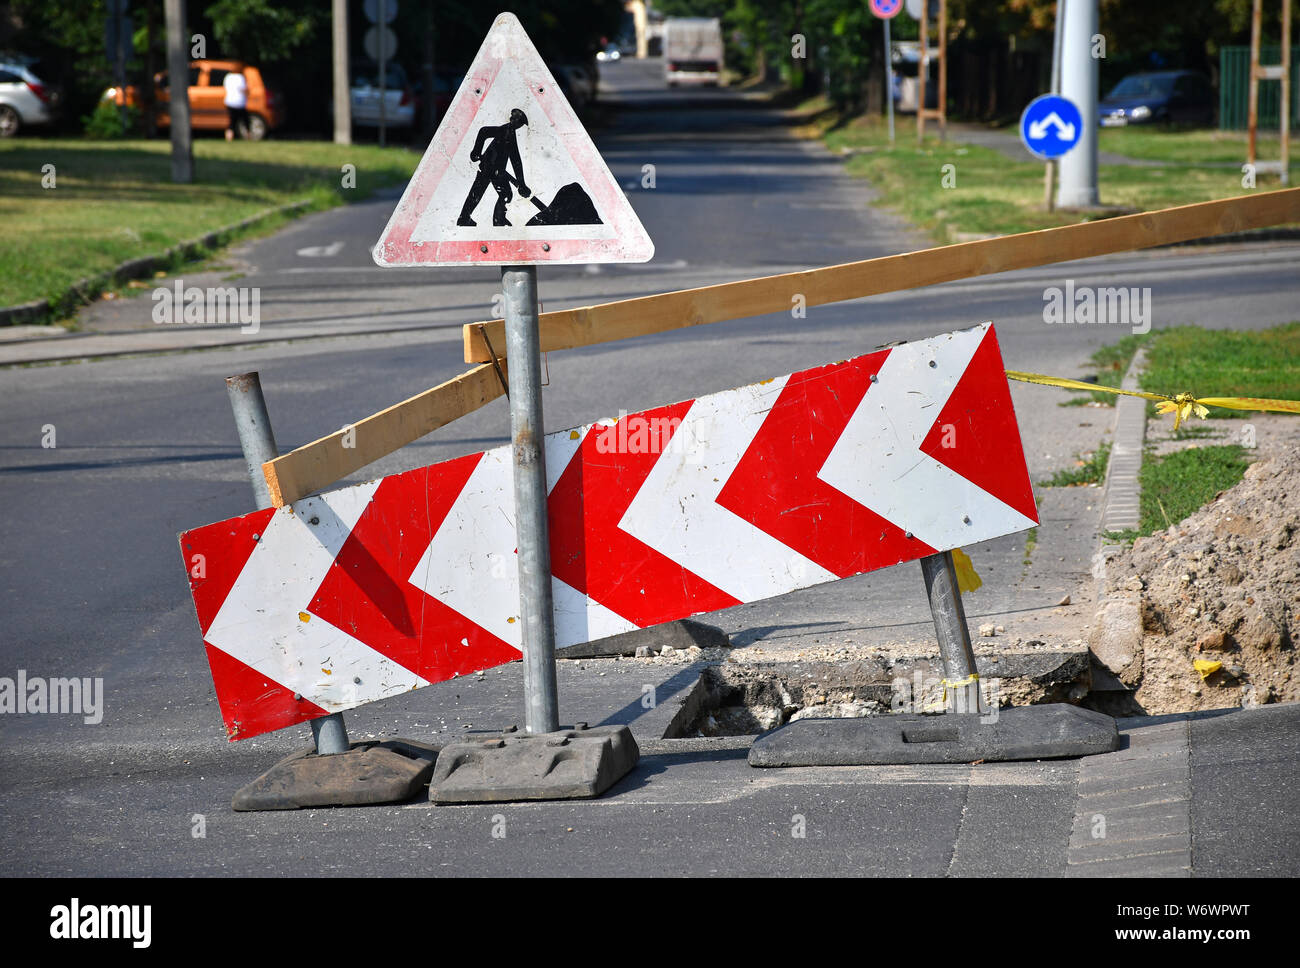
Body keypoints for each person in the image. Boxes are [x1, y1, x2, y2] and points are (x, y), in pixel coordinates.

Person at [457, 108, 530, 227]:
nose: (520, 126)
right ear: (514, 121)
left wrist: (522, 184)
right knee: (505, 194)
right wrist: (476, 151)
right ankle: (498, 220)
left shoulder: (509, 132)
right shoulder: (506, 131)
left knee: (477, 193)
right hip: (492, 169)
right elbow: (484, 131)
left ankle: (464, 218)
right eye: (520, 123)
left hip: (491, 168)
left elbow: (515, 159)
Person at [223, 69, 249, 141]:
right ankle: (248, 137)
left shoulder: (228, 77)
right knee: (245, 121)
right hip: (240, 102)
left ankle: (229, 139)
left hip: (229, 101)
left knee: (232, 121)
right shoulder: (240, 77)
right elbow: (243, 89)